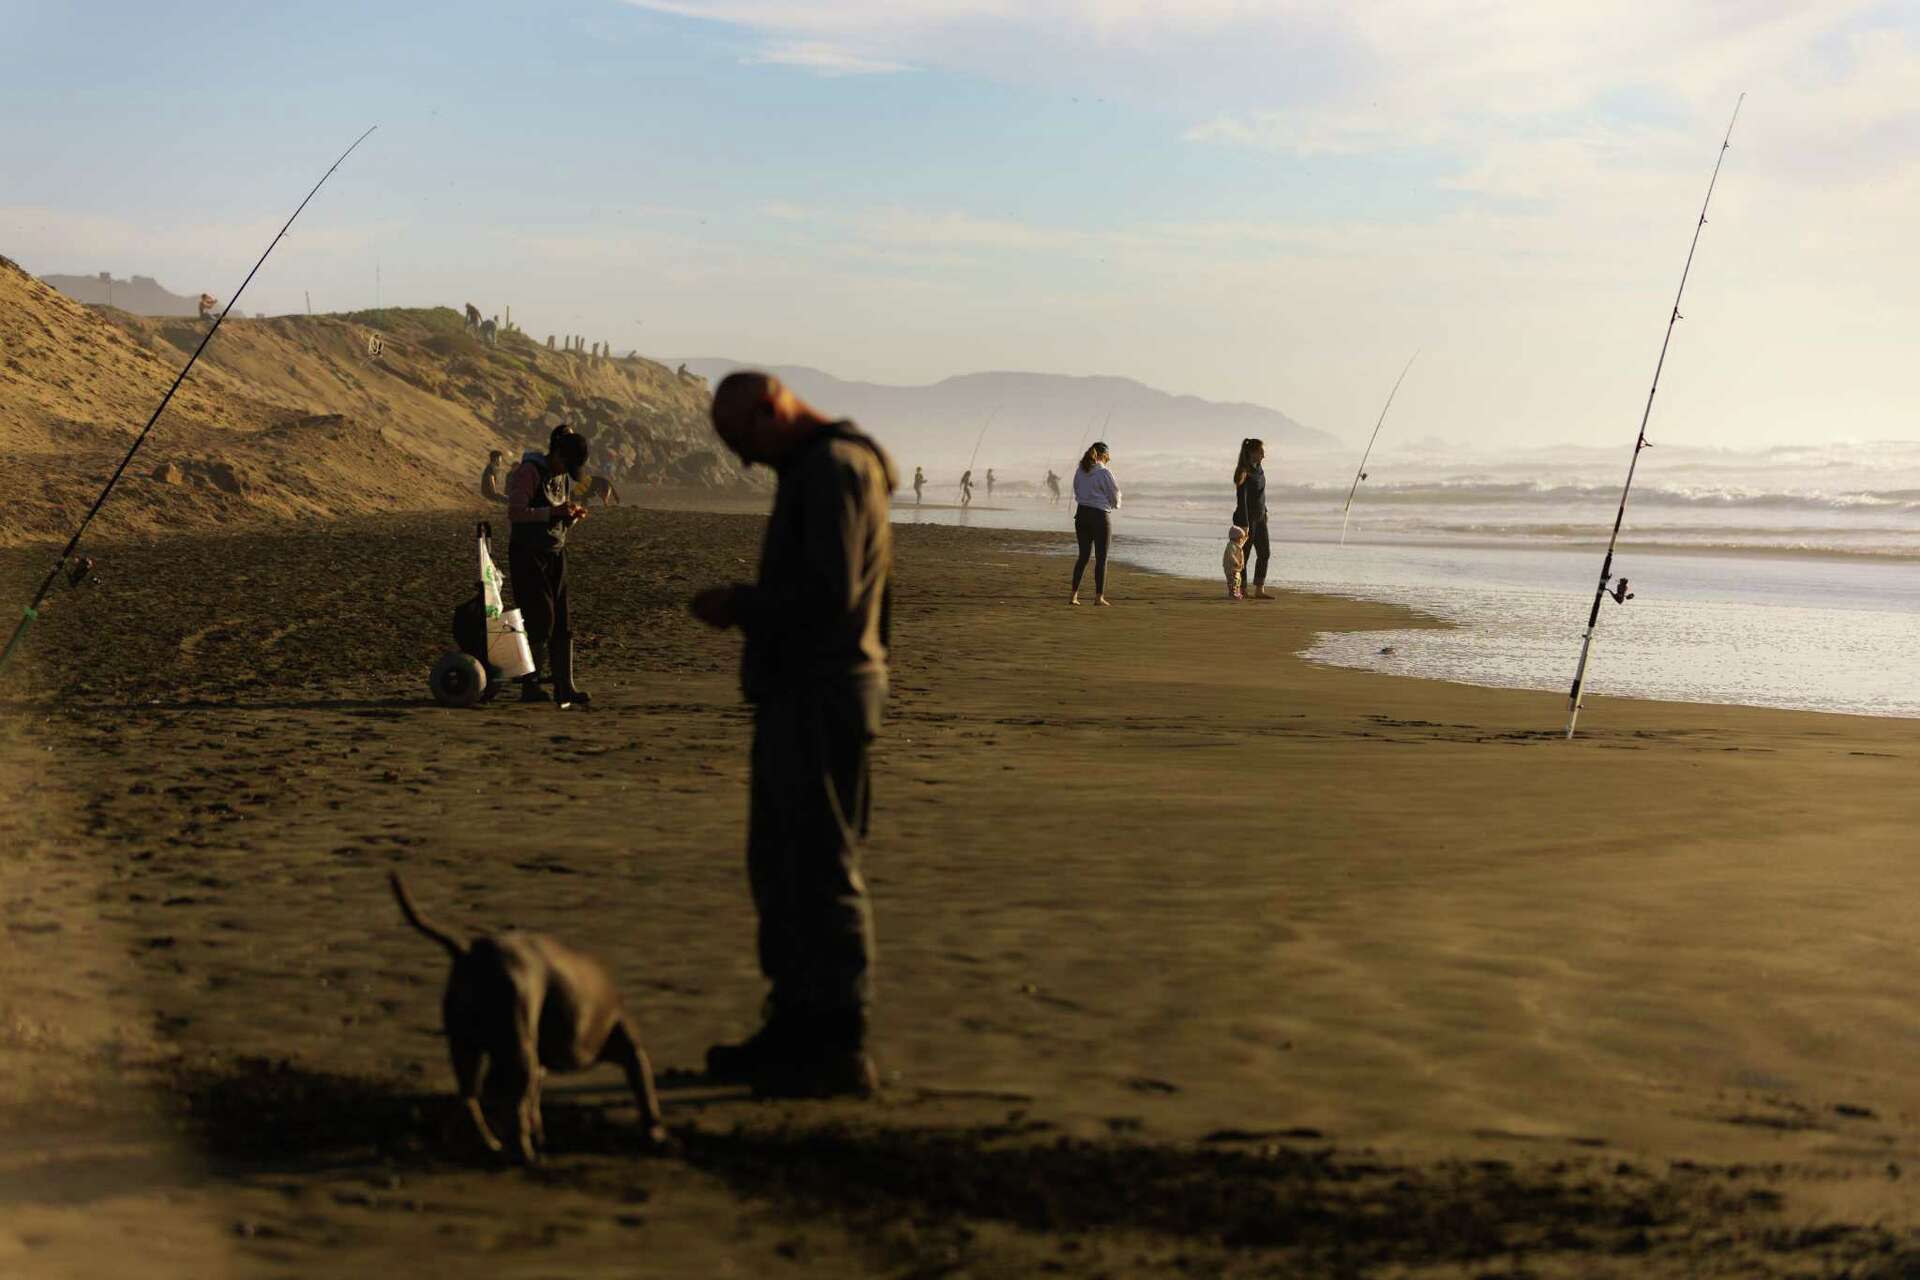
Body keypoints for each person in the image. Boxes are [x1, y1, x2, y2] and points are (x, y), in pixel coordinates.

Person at [691, 371, 895, 1099]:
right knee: (781, 865)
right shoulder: (822, 465)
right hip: (811, 690)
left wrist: (740, 605)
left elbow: (830, 596)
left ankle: (840, 1043)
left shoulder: (834, 469)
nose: (747, 460)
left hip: (825, 692)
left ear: (771, 407)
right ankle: (794, 1027)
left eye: (744, 442)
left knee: (819, 865)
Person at [506, 423, 592, 707]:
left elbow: (556, 516)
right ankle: (530, 685)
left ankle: (564, 686)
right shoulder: (528, 472)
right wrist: (552, 512)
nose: (566, 473)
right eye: (566, 465)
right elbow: (516, 512)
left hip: (556, 551)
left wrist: (569, 518)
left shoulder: (562, 477)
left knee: (563, 620)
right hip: (528, 553)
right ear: (556, 454)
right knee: (540, 618)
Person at [1070, 442, 1120, 606]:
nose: (1109, 459)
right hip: (1099, 516)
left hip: (1082, 514)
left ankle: (1073, 596)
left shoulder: (1080, 470)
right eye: (1108, 456)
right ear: (1103, 455)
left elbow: (1076, 490)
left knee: (1083, 556)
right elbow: (1114, 495)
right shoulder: (1104, 473)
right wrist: (1113, 505)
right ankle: (1098, 597)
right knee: (1101, 557)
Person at [1233, 438, 1274, 600]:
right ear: (1252, 453)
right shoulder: (1244, 472)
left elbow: (1260, 494)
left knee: (1265, 553)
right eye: (1261, 452)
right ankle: (1242, 588)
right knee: (1244, 555)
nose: (1264, 455)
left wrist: (1265, 510)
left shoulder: (1259, 468)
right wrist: (1244, 524)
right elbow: (1241, 500)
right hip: (1246, 520)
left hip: (1260, 517)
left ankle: (1259, 589)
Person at [1223, 524, 1248, 600]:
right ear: (1236, 538)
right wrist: (1236, 562)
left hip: (1236, 568)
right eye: (1240, 538)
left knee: (1238, 580)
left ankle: (1237, 592)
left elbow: (1243, 543)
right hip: (1231, 567)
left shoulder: (1237, 545)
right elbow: (1231, 555)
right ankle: (1232, 593)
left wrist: (1246, 537)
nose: (1241, 540)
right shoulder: (1231, 546)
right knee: (1233, 581)